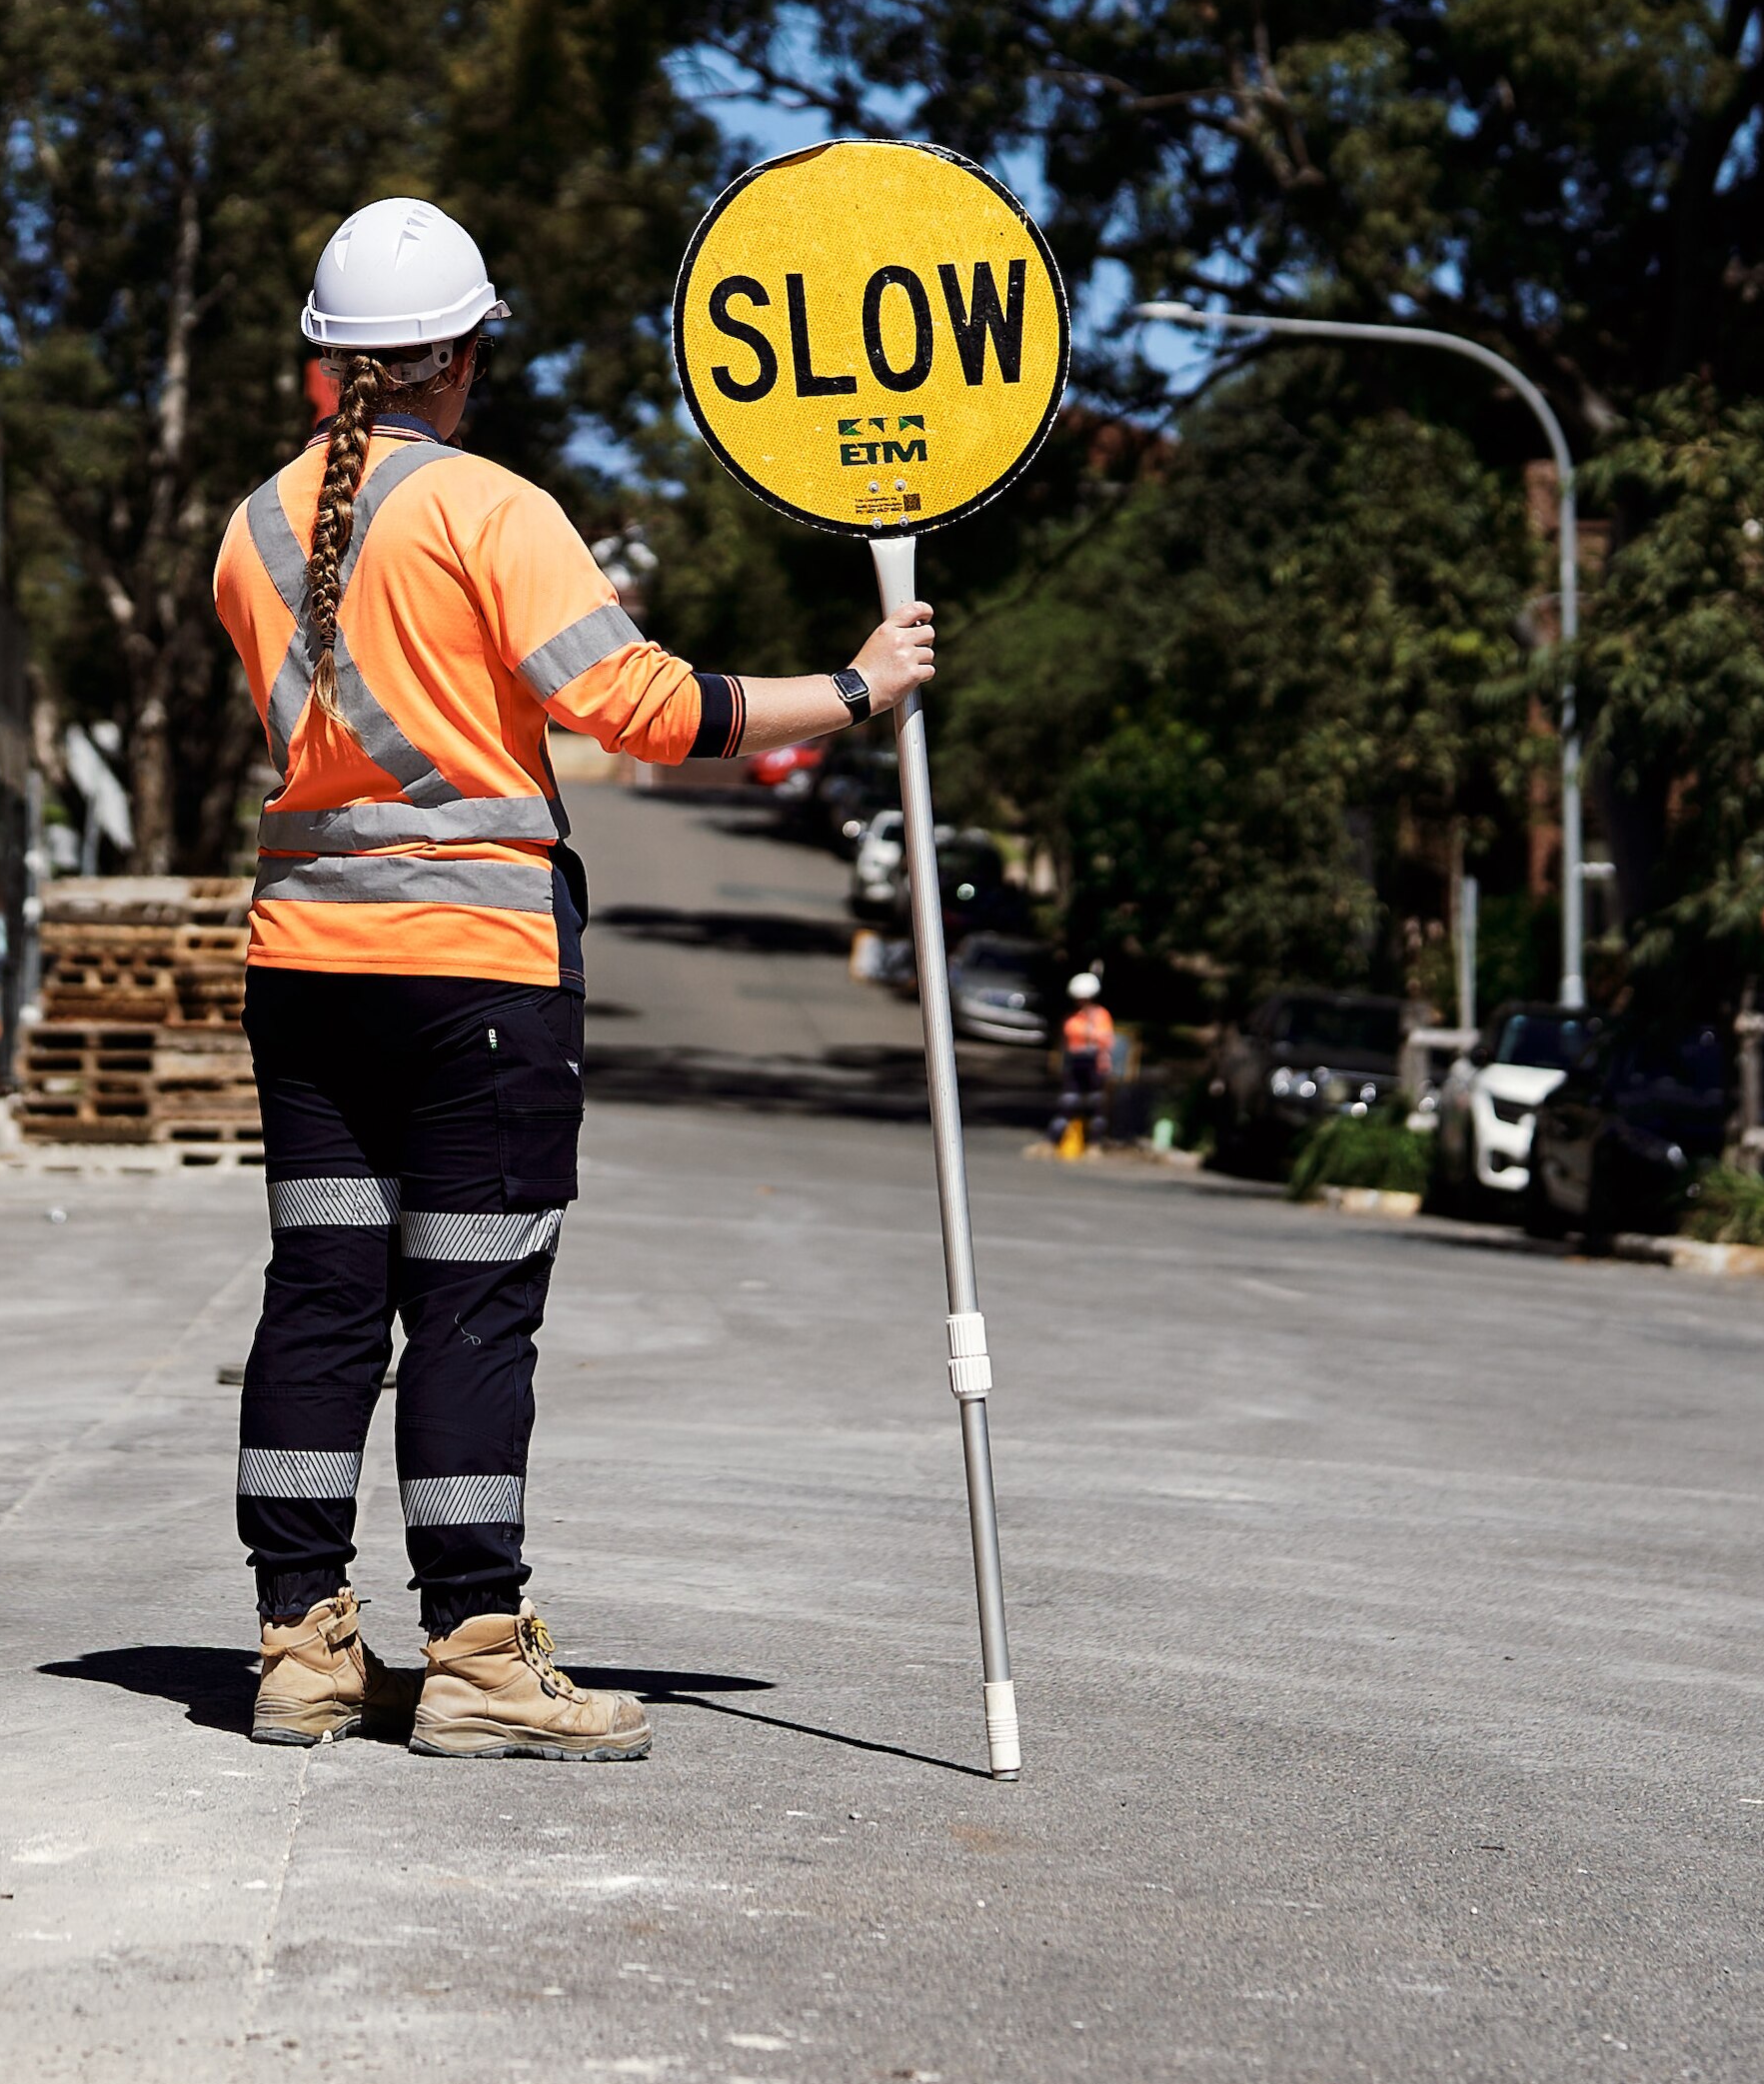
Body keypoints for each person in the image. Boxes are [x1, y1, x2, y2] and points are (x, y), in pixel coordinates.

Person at [212, 197, 932, 1759]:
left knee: (324, 1298)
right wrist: (856, 691)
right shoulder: (493, 510)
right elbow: (640, 704)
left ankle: (301, 1647)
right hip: (476, 975)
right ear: (461, 359)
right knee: (470, 1304)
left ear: (322, 368)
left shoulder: (254, 528)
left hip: (309, 972)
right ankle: (473, 1657)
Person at [1054, 972, 1117, 1158]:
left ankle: (1094, 1144)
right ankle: (1054, 1140)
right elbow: (1070, 1032)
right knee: (1068, 1101)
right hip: (1076, 1063)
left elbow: (1106, 1038)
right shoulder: (1075, 1017)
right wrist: (1086, 1031)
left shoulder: (1101, 1016)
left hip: (1095, 1065)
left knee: (1095, 1104)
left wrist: (1092, 1033)